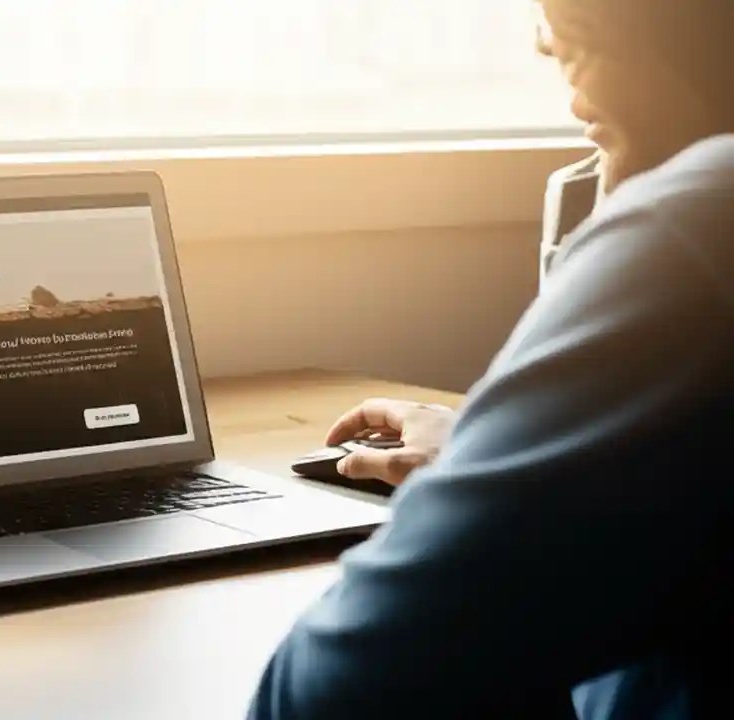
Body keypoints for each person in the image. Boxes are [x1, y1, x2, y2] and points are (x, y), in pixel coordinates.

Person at [247, 1, 734, 718]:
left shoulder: (701, 223)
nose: (566, 82)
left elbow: (340, 689)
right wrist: (500, 453)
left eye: (573, 41)